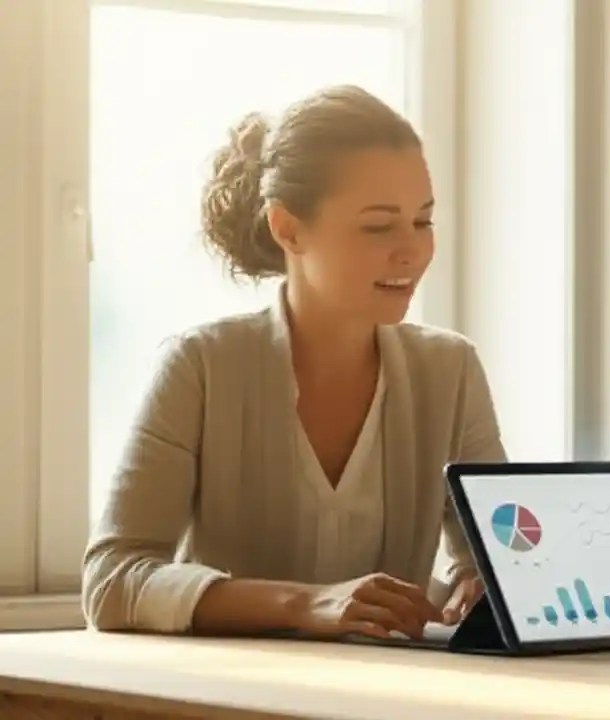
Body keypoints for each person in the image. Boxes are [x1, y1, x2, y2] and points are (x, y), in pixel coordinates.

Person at [82, 86, 505, 641]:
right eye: (379, 225)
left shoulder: (451, 370)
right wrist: (303, 604)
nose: (412, 250)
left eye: (423, 222)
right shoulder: (201, 367)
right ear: (288, 229)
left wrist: (482, 586)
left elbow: (493, 562)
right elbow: (112, 582)